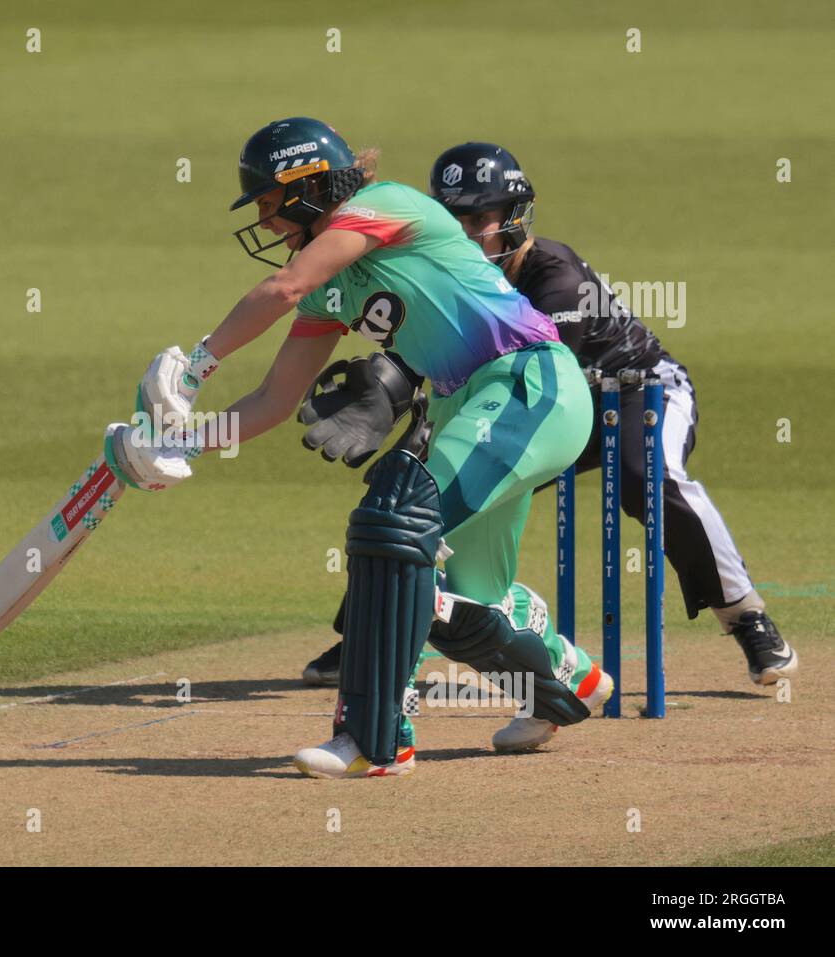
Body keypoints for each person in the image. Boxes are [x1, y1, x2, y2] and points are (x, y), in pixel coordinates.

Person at [108, 118, 610, 779]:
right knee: (466, 602)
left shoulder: (384, 206)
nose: (265, 225)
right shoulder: (330, 286)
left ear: (308, 188)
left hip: (528, 383)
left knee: (394, 526)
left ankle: (375, 737)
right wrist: (184, 442)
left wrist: (194, 366)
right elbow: (273, 401)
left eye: (267, 205)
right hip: (475, 403)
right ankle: (567, 680)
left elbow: (280, 289)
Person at [300, 142, 798, 691]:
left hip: (633, 392)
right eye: (453, 216)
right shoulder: (444, 266)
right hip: (540, 407)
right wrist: (388, 389)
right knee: (431, 493)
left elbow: (505, 361)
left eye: (478, 217)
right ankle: (381, 631)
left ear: (514, 217)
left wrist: (417, 401)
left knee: (645, 476)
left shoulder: (554, 275)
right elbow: (433, 338)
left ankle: (746, 616)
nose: (465, 231)